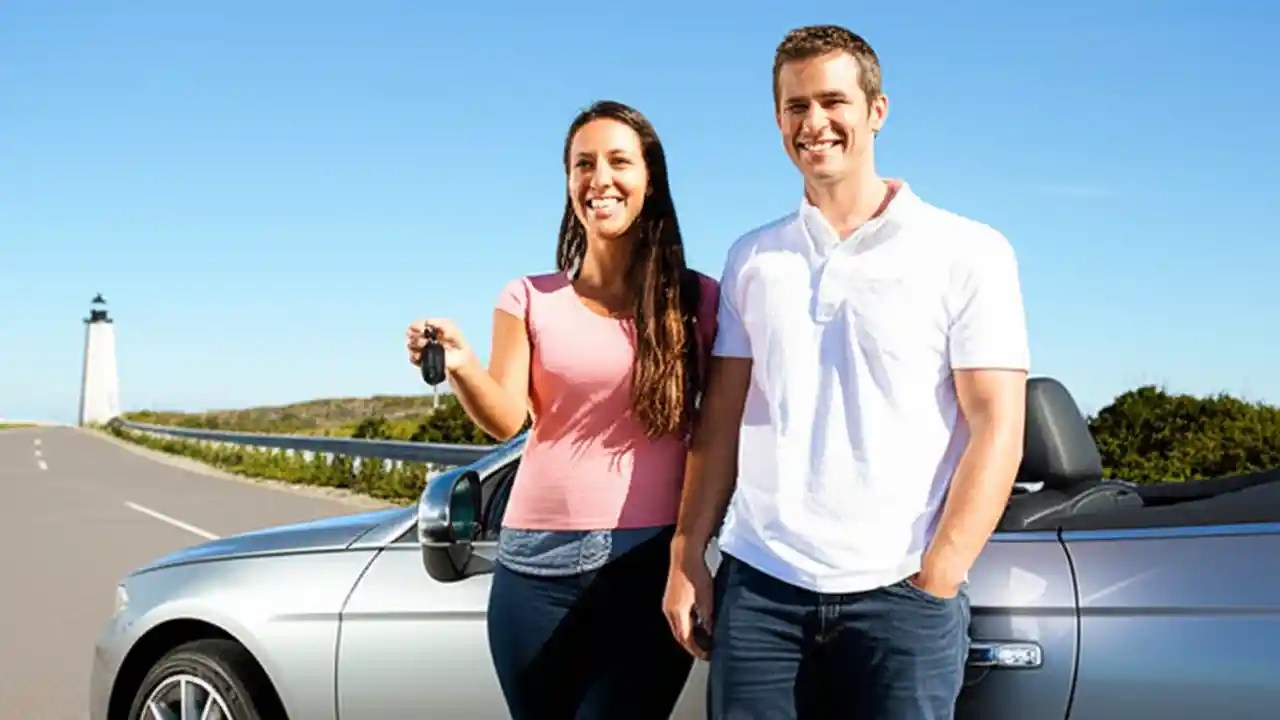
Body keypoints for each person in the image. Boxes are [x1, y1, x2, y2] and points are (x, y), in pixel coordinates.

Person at [662, 24, 1030, 720]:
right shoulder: (753, 257)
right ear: (778, 120)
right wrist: (688, 553)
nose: (814, 123)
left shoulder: (969, 251)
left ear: (876, 111)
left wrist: (938, 576)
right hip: (762, 587)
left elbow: (997, 428)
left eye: (833, 102)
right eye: (795, 107)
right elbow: (721, 420)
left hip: (901, 595)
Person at [406, 99, 719, 720]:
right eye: (583, 164)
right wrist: (464, 362)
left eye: (618, 161)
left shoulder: (699, 301)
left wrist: (691, 551)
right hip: (530, 566)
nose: (599, 179)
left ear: (649, 179)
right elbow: (504, 420)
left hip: (645, 564)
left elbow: (717, 434)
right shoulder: (528, 297)